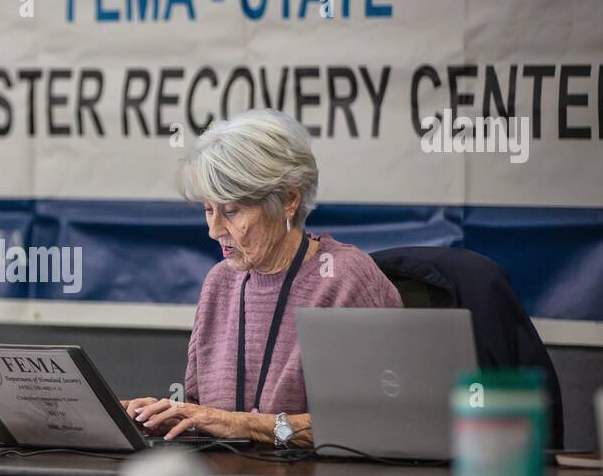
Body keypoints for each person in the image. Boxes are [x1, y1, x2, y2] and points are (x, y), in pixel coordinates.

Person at [124, 109, 403, 448]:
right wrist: (170, 418)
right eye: (208, 210)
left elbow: (378, 423)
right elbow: (209, 417)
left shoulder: (345, 279)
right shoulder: (219, 283)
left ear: (288, 200)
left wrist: (243, 425)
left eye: (231, 211)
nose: (213, 231)